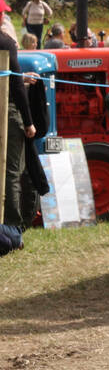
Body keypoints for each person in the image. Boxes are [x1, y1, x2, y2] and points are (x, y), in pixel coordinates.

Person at [0, 26, 38, 230]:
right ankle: (12, 228)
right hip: (6, 110)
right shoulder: (5, 42)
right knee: (13, 171)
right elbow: (15, 85)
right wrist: (29, 121)